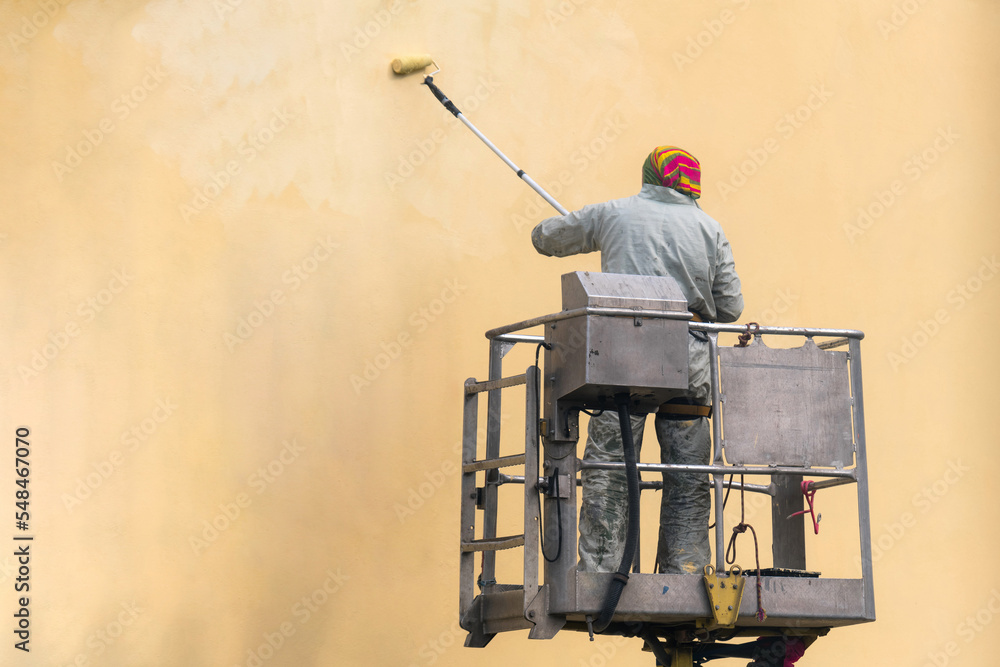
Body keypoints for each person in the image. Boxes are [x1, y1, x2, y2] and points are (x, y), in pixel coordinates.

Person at [530, 146, 743, 574]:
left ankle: (602, 571)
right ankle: (685, 572)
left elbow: (544, 238)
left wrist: (598, 231)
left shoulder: (614, 213)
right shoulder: (709, 227)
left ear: (649, 175)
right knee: (687, 472)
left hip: (621, 359)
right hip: (690, 358)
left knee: (610, 466)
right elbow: (732, 305)